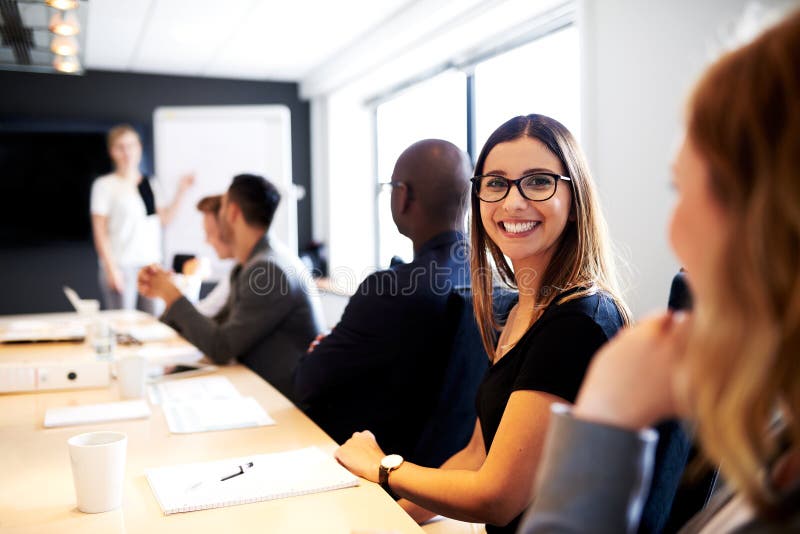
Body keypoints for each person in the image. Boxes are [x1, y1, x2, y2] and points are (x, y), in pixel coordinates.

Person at [520, 9, 800, 533]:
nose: (674, 232)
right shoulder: (778, 437)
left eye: (695, 190)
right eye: (494, 182)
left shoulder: (581, 316)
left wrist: (606, 417)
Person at [335, 115, 630, 533]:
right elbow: (477, 454)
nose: (512, 203)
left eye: (539, 181)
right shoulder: (521, 308)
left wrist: (383, 466)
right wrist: (391, 517)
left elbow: (498, 498)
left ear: (575, 194)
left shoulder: (576, 321)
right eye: (495, 183)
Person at [294, 139, 472, 466]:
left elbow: (308, 382)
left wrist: (322, 349)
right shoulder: (493, 278)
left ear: (403, 196)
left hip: (376, 471)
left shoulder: (390, 289)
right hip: (451, 474)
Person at [138, 174, 324, 400]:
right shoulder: (253, 264)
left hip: (284, 403)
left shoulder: (267, 270)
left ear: (234, 213)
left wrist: (172, 294)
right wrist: (167, 293)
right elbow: (215, 328)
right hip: (261, 390)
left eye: (222, 208)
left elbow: (221, 348)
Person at [90, 124, 194, 313]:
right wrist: (111, 269)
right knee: (124, 323)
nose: (127, 152)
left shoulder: (149, 184)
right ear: (112, 151)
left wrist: (182, 191)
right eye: (120, 147)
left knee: (155, 321)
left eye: (131, 146)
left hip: (151, 265)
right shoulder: (105, 186)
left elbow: (163, 219)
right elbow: (100, 231)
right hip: (122, 266)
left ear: (139, 148)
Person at [193, 194, 233, 317]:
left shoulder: (256, 272)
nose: (207, 241)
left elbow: (205, 314)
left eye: (210, 233)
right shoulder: (237, 269)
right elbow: (206, 308)